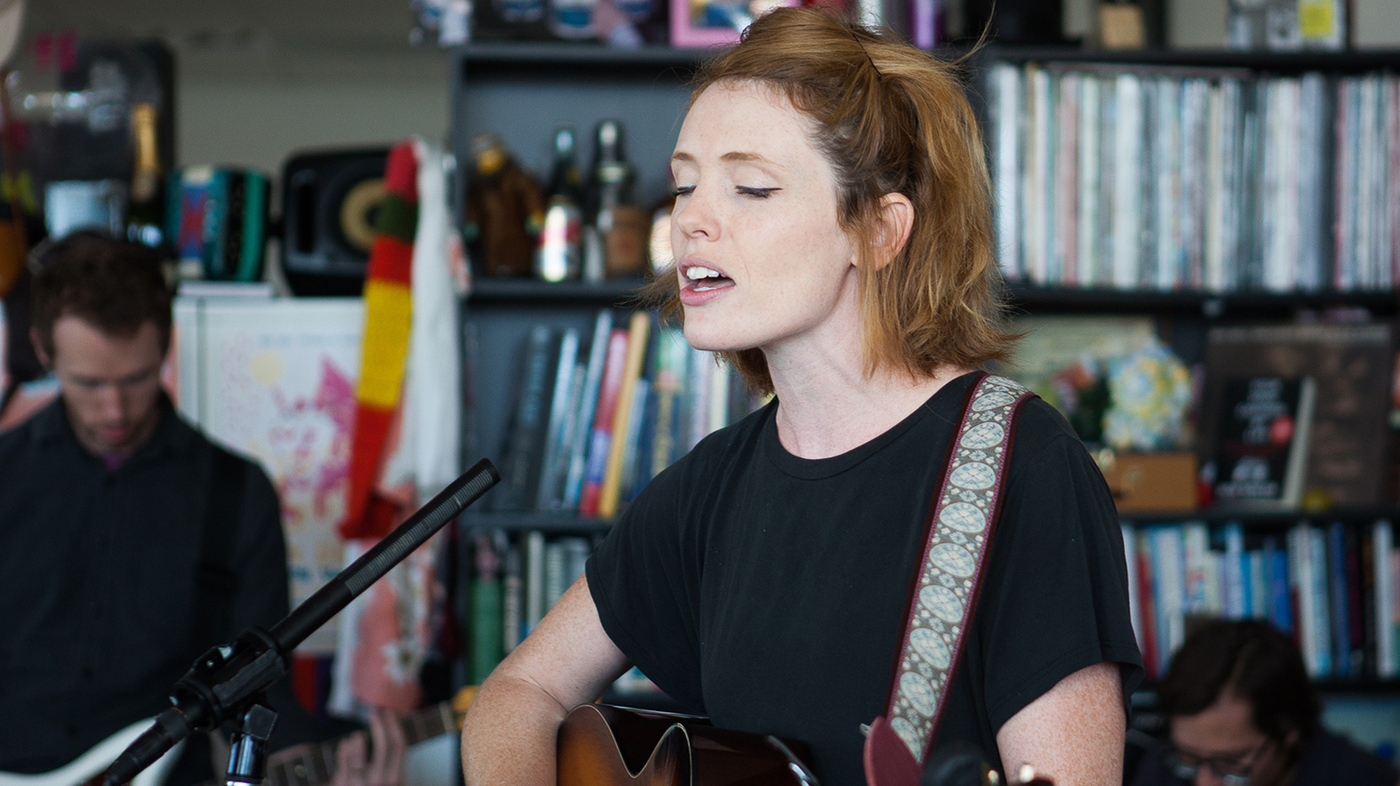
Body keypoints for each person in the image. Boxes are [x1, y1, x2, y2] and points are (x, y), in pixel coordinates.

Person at [460, 8, 1143, 786]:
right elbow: (516, 694)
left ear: (878, 231)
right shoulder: (711, 487)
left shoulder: (1023, 470)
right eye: (684, 185)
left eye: (751, 188)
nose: (690, 220)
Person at [0, 231, 404, 786]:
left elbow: (258, 687)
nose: (114, 408)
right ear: (44, 353)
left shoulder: (236, 492)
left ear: (167, 345)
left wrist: (311, 765)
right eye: (88, 383)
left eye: (137, 378)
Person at [1128, 619, 1399, 786]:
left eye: (1230, 764)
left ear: (1289, 733)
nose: (1204, 783)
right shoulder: (1165, 762)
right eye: (1189, 758)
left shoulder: (1361, 778)